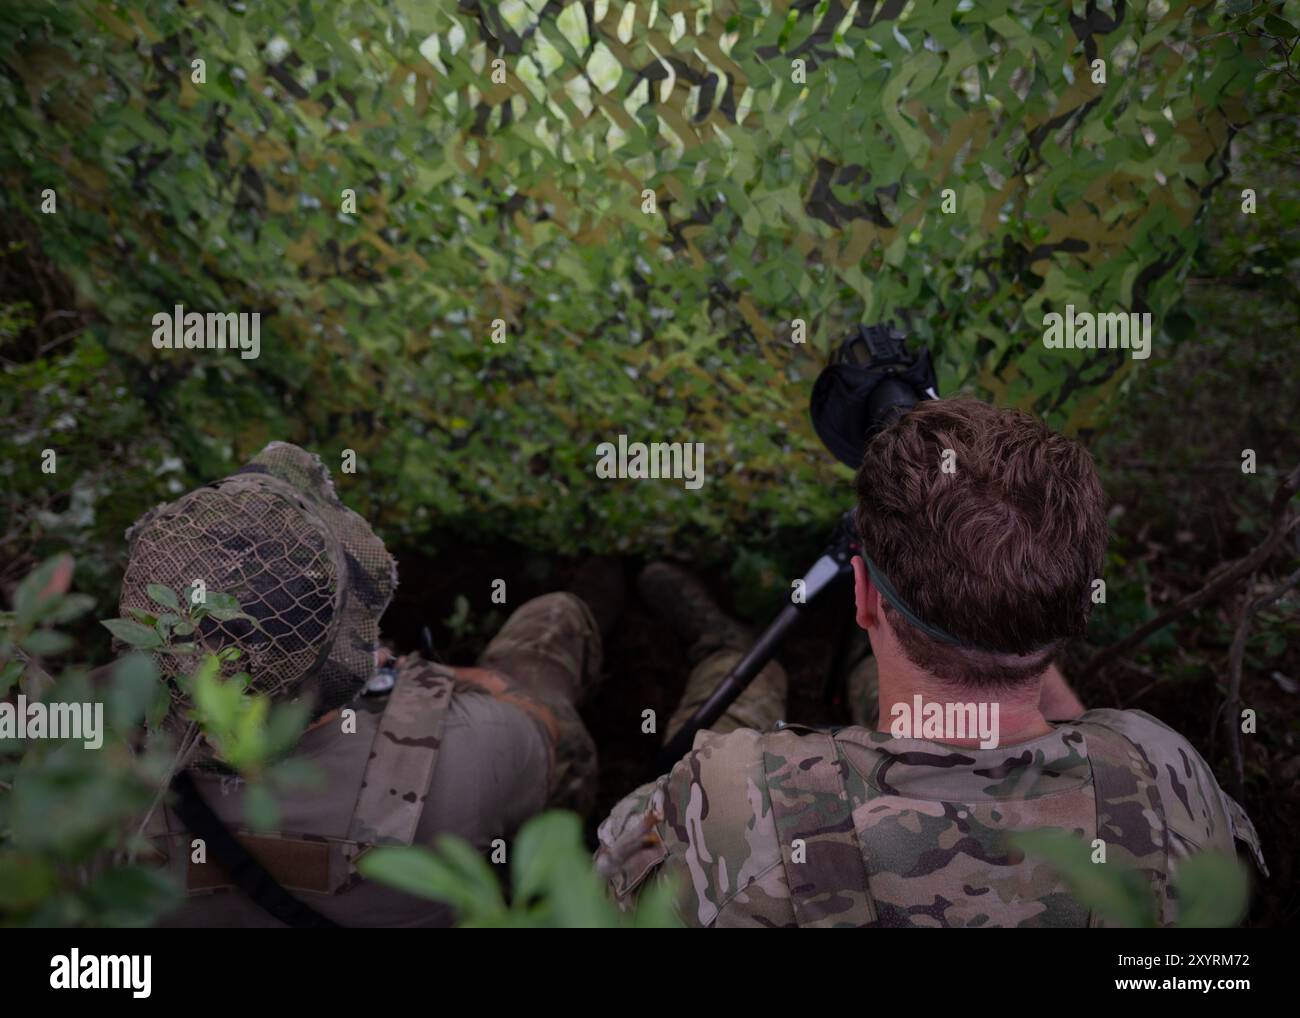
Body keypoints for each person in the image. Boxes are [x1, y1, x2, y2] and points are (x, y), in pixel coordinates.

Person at [595, 398, 1267, 928]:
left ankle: (724, 647)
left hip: (797, 744)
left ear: (860, 594)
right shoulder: (1166, 774)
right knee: (892, 695)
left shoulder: (733, 795)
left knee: (747, 684)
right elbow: (1091, 735)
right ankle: (865, 667)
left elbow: (609, 878)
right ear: (1076, 610)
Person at [121, 441, 619, 927]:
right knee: (556, 624)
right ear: (340, 652)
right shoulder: (475, 746)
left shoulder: (76, 764)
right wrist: (448, 684)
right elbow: (543, 735)